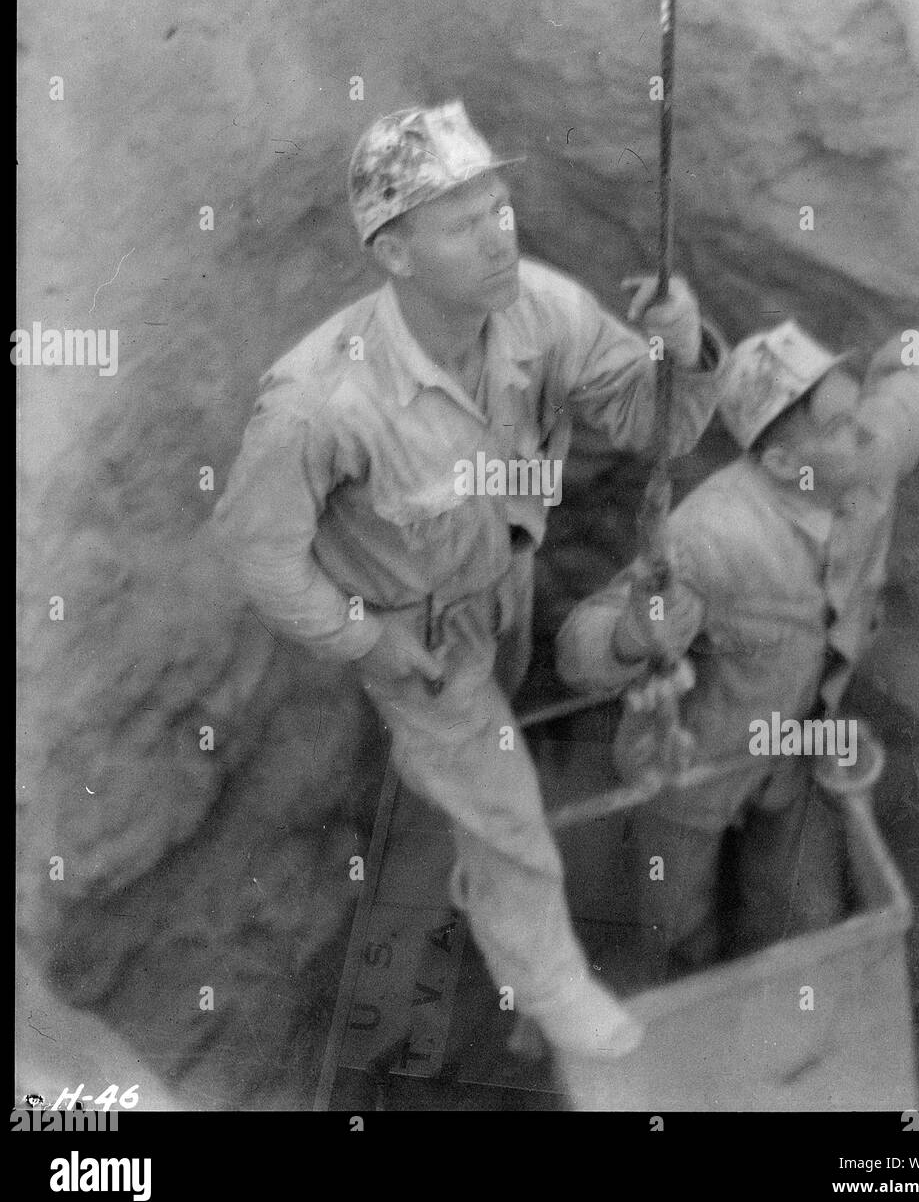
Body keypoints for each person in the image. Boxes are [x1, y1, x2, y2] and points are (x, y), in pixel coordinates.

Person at [213, 100, 725, 1057]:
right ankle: (550, 986)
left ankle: (482, 872)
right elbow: (260, 555)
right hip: (417, 639)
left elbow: (657, 429)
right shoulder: (321, 403)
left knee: (494, 760)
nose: (500, 238)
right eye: (463, 222)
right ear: (395, 254)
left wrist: (682, 348)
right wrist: (370, 640)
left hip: (507, 581)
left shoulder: (538, 308)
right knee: (503, 807)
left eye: (499, 207)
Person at [556, 270, 919, 973]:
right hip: (690, 772)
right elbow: (578, 648)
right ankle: (689, 985)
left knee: (801, 920)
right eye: (839, 430)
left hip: (794, 756)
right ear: (782, 463)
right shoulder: (713, 536)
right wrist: (630, 636)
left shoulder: (866, 457)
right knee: (672, 927)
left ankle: (771, 1007)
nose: (865, 436)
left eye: (857, 416)